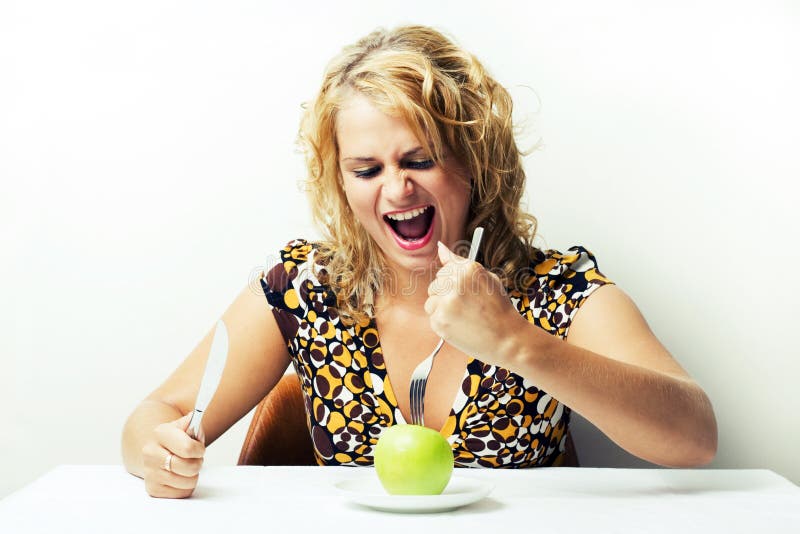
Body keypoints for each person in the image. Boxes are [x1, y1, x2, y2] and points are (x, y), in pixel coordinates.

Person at [122, 24, 717, 498]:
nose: (397, 188)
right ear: (341, 183)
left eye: (420, 159)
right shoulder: (304, 288)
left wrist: (514, 340)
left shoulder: (556, 290)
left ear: (475, 161)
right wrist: (158, 452)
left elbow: (695, 437)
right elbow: (157, 413)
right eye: (367, 169)